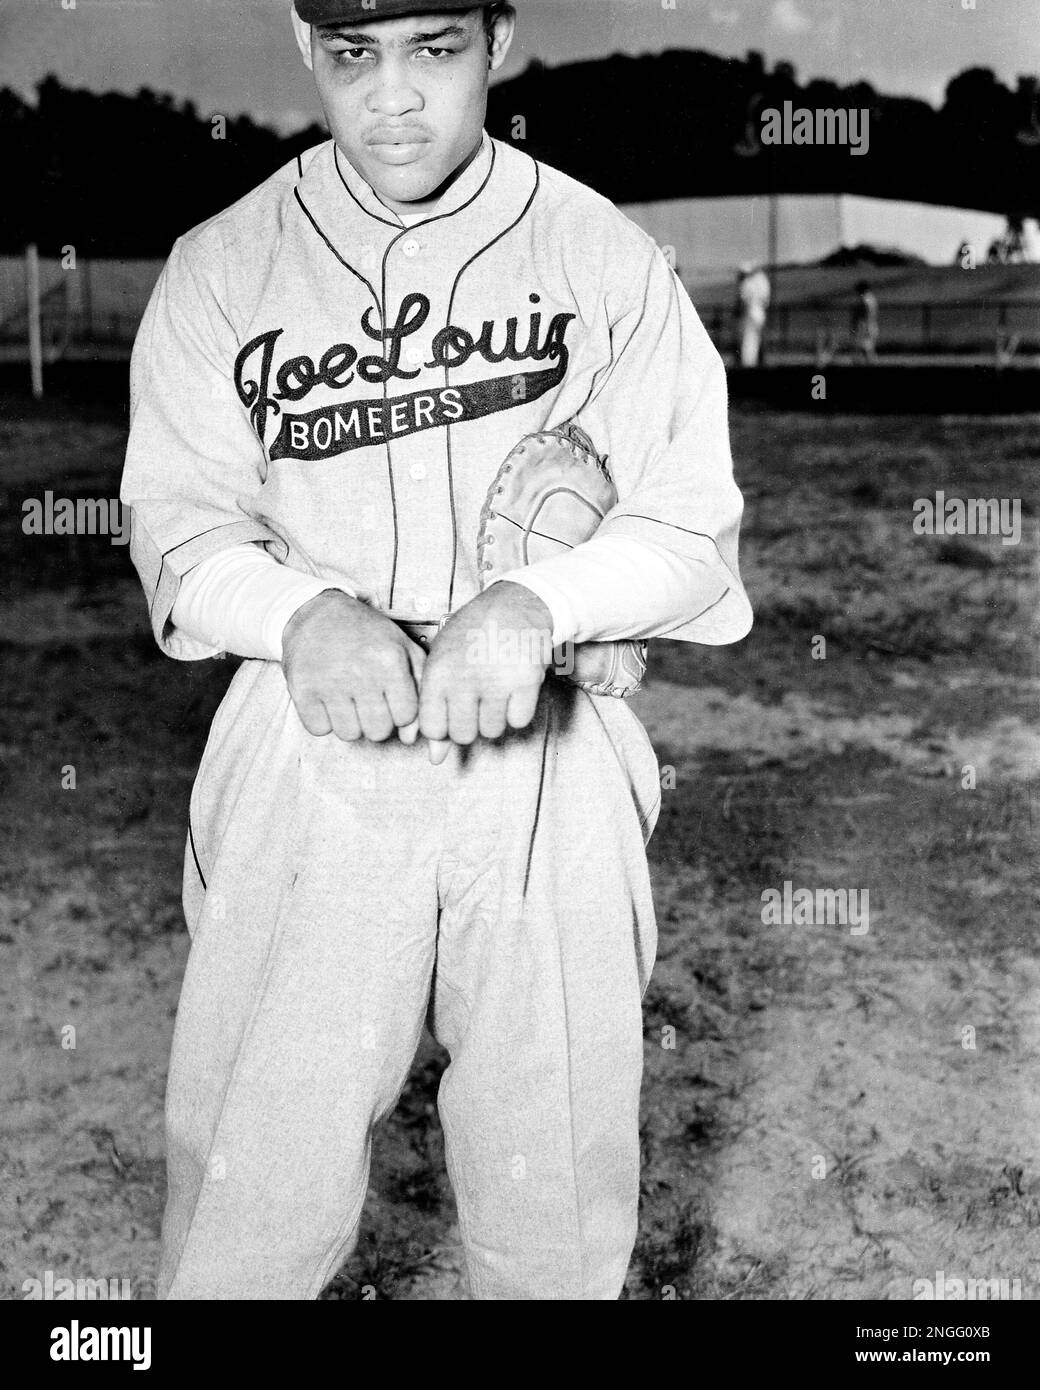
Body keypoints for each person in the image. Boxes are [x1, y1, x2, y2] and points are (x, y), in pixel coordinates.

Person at [121, 0, 752, 1301]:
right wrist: (296, 614)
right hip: (314, 735)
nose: (392, 98)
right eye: (354, 55)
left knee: (555, 1174)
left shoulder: (600, 252)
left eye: (433, 49)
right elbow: (178, 532)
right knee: (254, 1157)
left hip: (548, 737)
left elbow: (696, 532)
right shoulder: (224, 262)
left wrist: (542, 601)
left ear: (499, 38)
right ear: (307, 48)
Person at [737, 261, 771, 367]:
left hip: (751, 312)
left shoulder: (747, 283)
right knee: (757, 338)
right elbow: (766, 299)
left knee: (749, 339)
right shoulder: (762, 280)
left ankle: (749, 363)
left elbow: (743, 301)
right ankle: (758, 361)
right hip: (760, 312)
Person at [852, 279, 879, 363]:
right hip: (871, 325)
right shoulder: (871, 298)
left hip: (865, 326)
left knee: (864, 350)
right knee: (866, 349)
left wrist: (861, 328)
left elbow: (864, 315)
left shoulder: (864, 300)